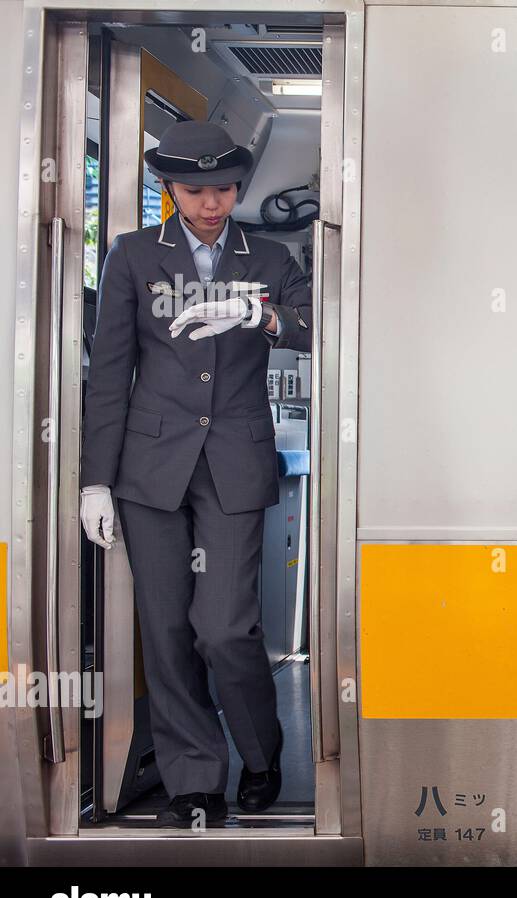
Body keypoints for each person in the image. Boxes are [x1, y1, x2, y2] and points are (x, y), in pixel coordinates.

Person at [79, 121, 313, 826]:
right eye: (194, 190)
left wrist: (259, 314)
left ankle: (263, 754)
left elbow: (313, 325)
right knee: (167, 629)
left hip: (234, 463)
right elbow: (111, 372)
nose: (211, 203)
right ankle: (194, 776)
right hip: (148, 469)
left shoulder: (268, 257)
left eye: (222, 188)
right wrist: (96, 477)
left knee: (224, 628)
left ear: (238, 186)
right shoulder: (132, 256)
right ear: (169, 190)